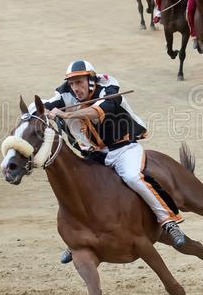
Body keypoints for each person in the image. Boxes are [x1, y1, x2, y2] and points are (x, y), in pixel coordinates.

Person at [41, 60, 186, 264]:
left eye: (79, 82)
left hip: (124, 148)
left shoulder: (108, 86)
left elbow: (98, 111)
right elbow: (42, 105)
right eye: (72, 83)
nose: (75, 88)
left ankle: (168, 222)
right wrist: (43, 112)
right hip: (96, 155)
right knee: (82, 189)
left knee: (133, 177)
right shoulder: (65, 93)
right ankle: (77, 239)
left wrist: (67, 114)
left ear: (91, 80)